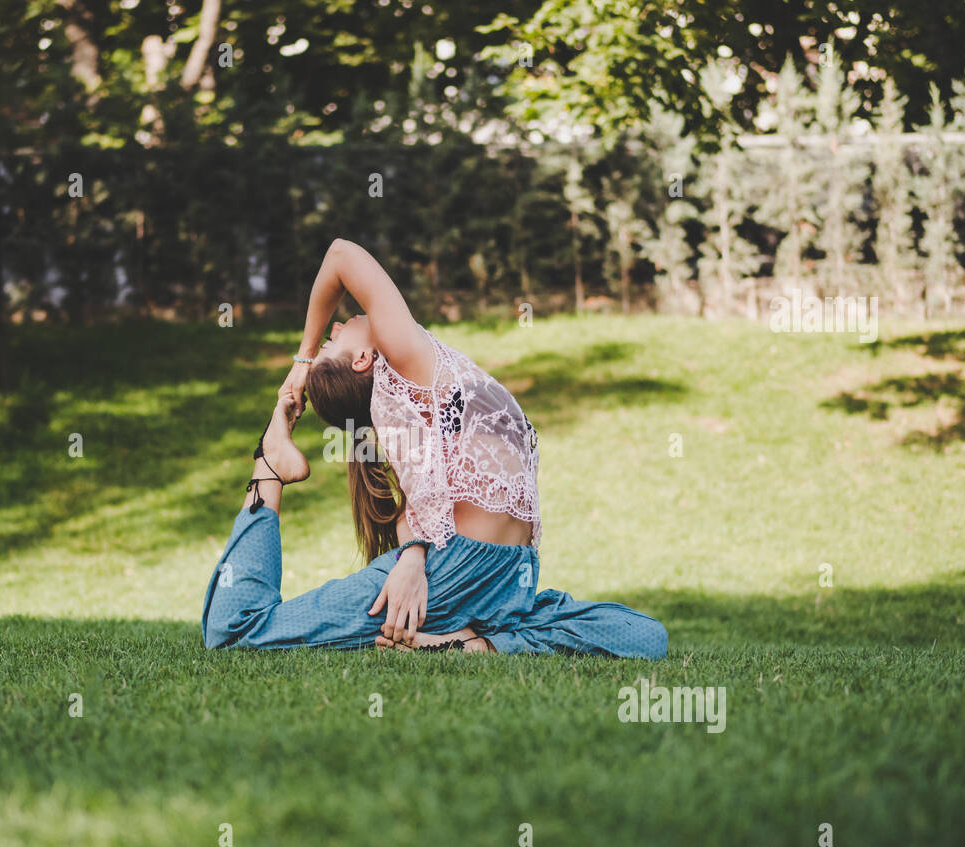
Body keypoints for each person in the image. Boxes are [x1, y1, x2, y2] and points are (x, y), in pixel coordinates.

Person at [201, 239, 667, 658]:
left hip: (499, 577)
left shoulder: (419, 387)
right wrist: (303, 363)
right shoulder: (405, 359)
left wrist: (413, 554)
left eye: (330, 334)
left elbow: (427, 489)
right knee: (236, 631)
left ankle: (472, 644)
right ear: (364, 360)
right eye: (334, 340)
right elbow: (341, 255)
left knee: (647, 636)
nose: (339, 323)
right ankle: (269, 465)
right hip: (459, 574)